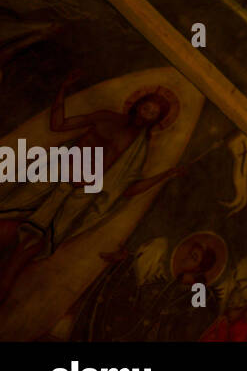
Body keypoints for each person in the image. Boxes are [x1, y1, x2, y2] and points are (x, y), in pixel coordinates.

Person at [0, 76, 182, 305]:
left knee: (23, 254)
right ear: (138, 104)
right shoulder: (107, 117)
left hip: (75, 199)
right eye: (146, 108)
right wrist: (62, 91)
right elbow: (58, 125)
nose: (146, 114)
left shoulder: (138, 150)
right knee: (6, 226)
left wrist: (164, 176)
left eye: (153, 114)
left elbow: (126, 189)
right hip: (51, 177)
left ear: (156, 120)